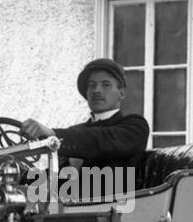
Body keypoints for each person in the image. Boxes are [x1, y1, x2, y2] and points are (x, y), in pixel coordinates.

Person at [22, 58, 150, 170]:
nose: (97, 90)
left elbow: (100, 139)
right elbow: (58, 179)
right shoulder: (74, 133)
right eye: (91, 85)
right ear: (86, 93)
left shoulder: (135, 127)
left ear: (121, 93)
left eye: (106, 85)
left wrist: (53, 135)